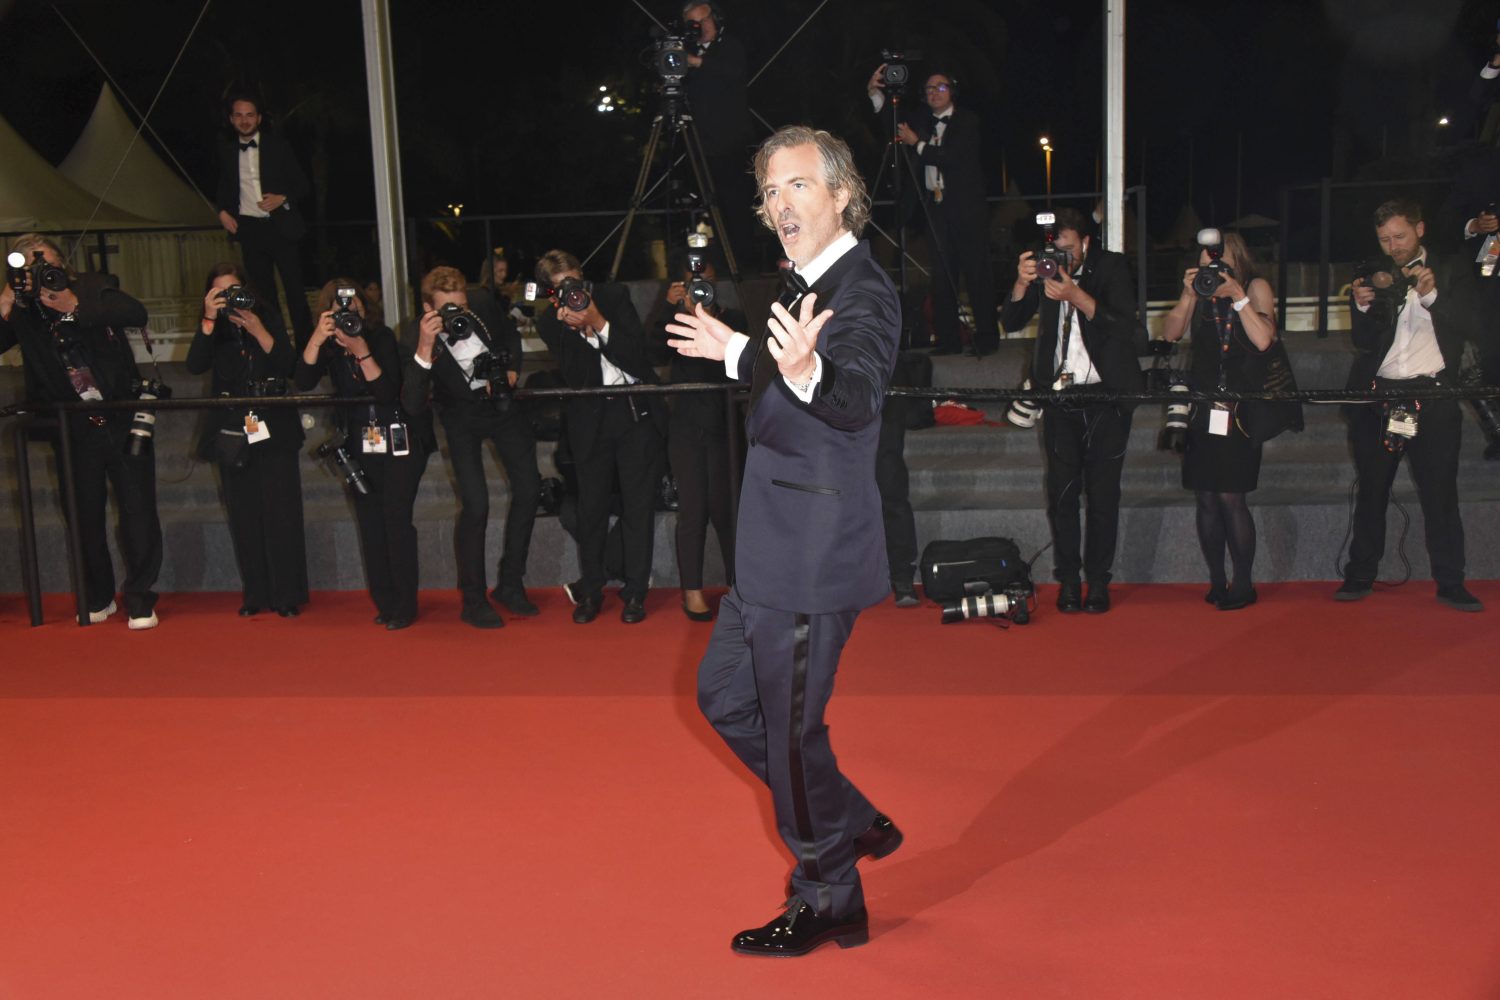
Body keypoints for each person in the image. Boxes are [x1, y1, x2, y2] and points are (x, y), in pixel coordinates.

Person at [667, 125, 903, 957]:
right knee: (724, 697)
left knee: (792, 735)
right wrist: (739, 351)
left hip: (811, 551)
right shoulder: (799, 281)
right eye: (769, 192)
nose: (778, 206)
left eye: (796, 186)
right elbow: (781, 383)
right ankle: (847, 818)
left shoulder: (864, 289)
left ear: (840, 192)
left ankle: (829, 893)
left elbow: (856, 393)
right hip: (770, 546)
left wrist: (808, 373)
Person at [0, 234, 162, 628]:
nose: (38, 273)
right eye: (28, 267)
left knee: (138, 512)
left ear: (63, 265)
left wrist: (73, 304)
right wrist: (5, 302)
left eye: (45, 263)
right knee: (82, 516)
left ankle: (141, 599)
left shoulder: (91, 286)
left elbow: (135, 312)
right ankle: (98, 595)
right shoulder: (20, 309)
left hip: (121, 415)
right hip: (70, 425)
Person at [999, 207, 1145, 613]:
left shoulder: (1111, 268)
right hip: (1061, 398)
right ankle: (1068, 580)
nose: (1060, 260)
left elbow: (1128, 329)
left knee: (1102, 495)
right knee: (1061, 494)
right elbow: (1010, 321)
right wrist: (1021, 281)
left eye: (1067, 251)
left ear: (1085, 242)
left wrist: (1076, 296)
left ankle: (1098, 581)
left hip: (1107, 397)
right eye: (1054, 252)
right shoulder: (1043, 272)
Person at [1339, 201, 1483, 611]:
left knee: (1440, 495)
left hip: (1434, 397)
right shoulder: (1376, 273)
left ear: (1419, 228)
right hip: (1380, 396)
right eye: (1385, 239)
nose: (1393, 246)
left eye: (1400, 236)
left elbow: (1473, 325)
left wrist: (1433, 296)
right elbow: (1366, 343)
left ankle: (1451, 581)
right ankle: (1360, 573)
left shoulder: (1452, 268)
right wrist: (1363, 304)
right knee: (1371, 490)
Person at [402, 266, 540, 628]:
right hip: (460, 416)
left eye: (460, 305)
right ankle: (473, 598)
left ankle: (511, 583)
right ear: (428, 306)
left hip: (502, 407)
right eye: (448, 308)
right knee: (476, 504)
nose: (457, 314)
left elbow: (510, 335)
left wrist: (511, 370)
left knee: (530, 488)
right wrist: (425, 345)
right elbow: (413, 403)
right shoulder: (413, 333)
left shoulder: (481, 304)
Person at [533, 250, 666, 624]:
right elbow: (579, 378)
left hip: (633, 413)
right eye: (563, 288)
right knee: (590, 510)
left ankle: (636, 592)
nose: (573, 292)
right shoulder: (549, 323)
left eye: (576, 282)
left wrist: (599, 322)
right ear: (550, 293)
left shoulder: (612, 297)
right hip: (591, 420)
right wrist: (578, 329)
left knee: (638, 508)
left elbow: (638, 359)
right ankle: (591, 592)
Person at [296, 279, 433, 629]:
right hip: (361, 444)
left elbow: (387, 392)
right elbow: (303, 381)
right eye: (339, 304)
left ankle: (405, 604)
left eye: (352, 300)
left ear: (364, 303)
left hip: (400, 440)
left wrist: (360, 349)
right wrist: (317, 337)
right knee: (371, 524)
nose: (348, 309)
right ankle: (385, 602)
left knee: (395, 518)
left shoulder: (382, 336)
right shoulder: (328, 345)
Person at [1161, 232, 1278, 610]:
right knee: (1207, 498)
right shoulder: (1200, 289)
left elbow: (1264, 340)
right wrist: (1189, 295)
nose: (1212, 265)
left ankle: (1243, 583)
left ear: (1238, 258)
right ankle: (1216, 580)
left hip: (1240, 408)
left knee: (1232, 497)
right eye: (1205, 259)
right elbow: (1170, 334)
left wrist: (1238, 295)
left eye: (1219, 258)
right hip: (1202, 406)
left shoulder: (1255, 286)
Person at [187, 262, 307, 617]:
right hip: (232, 427)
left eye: (234, 290)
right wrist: (209, 320)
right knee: (244, 514)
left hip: (274, 424)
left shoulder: (265, 316)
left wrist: (257, 329)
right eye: (220, 293)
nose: (229, 299)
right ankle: (255, 594)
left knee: (281, 514)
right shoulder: (213, 327)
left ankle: (287, 595)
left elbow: (289, 365)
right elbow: (195, 365)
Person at [867, 65, 998, 356]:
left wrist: (920, 145)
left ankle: (987, 337)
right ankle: (948, 339)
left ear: (952, 91)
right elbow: (895, 127)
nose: (934, 93)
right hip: (935, 210)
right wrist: (877, 94)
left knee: (976, 273)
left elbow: (953, 158)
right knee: (941, 277)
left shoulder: (967, 121)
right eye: (929, 89)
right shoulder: (921, 121)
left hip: (967, 210)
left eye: (940, 87)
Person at [651, 250, 743, 620]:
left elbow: (744, 363)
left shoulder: (732, 319)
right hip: (686, 424)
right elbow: (652, 351)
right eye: (693, 285)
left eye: (705, 284)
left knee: (727, 510)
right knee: (693, 511)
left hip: (724, 422)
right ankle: (692, 592)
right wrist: (669, 309)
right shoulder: (674, 319)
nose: (700, 291)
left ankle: (741, 589)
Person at [214, 93, 313, 343]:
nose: (244, 120)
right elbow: (223, 190)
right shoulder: (226, 152)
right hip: (250, 230)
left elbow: (302, 185)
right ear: (231, 119)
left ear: (258, 118)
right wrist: (222, 212)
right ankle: (276, 349)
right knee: (263, 296)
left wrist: (282, 198)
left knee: (294, 292)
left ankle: (308, 352)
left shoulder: (278, 147)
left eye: (249, 115)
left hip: (282, 228)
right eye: (239, 115)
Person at [680, 1, 754, 264]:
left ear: (717, 18)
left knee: (735, 210)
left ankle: (745, 266)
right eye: (695, 23)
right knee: (700, 212)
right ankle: (708, 266)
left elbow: (734, 73)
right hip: (697, 146)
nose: (703, 27)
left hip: (730, 145)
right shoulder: (685, 53)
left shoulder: (730, 47)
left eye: (706, 19)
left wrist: (695, 62)